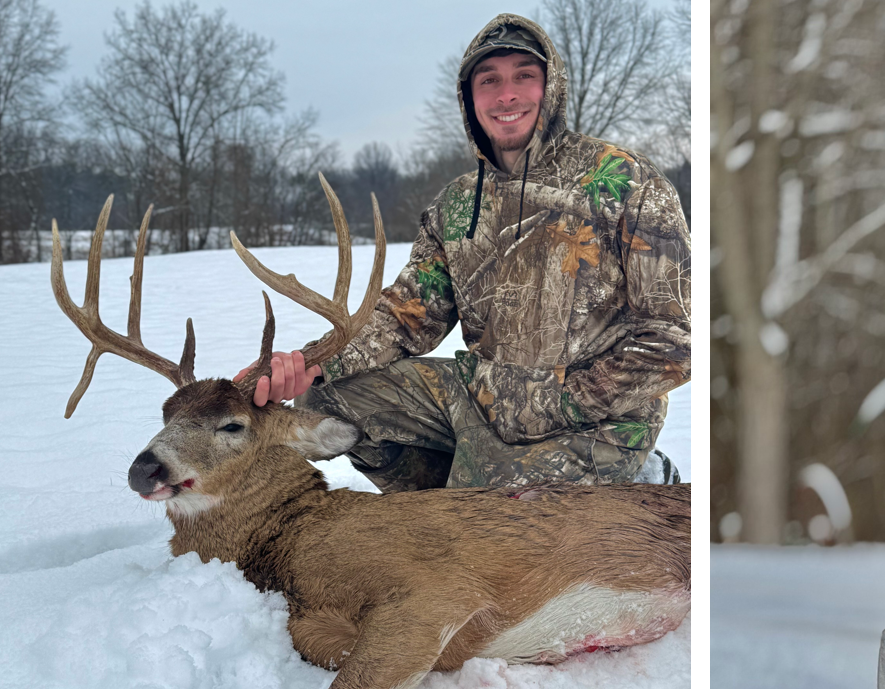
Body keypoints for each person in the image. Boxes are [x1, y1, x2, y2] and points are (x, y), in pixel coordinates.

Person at [247, 13, 693, 490]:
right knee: (325, 399)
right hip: (485, 398)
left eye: (525, 75)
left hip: (599, 421)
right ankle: (442, 499)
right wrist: (313, 364)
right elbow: (408, 316)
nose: (507, 94)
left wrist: (559, 399)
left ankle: (639, 479)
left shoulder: (626, 180)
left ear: (552, 86)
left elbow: (680, 339)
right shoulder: (456, 206)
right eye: (489, 80)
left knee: (487, 527)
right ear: (469, 97)